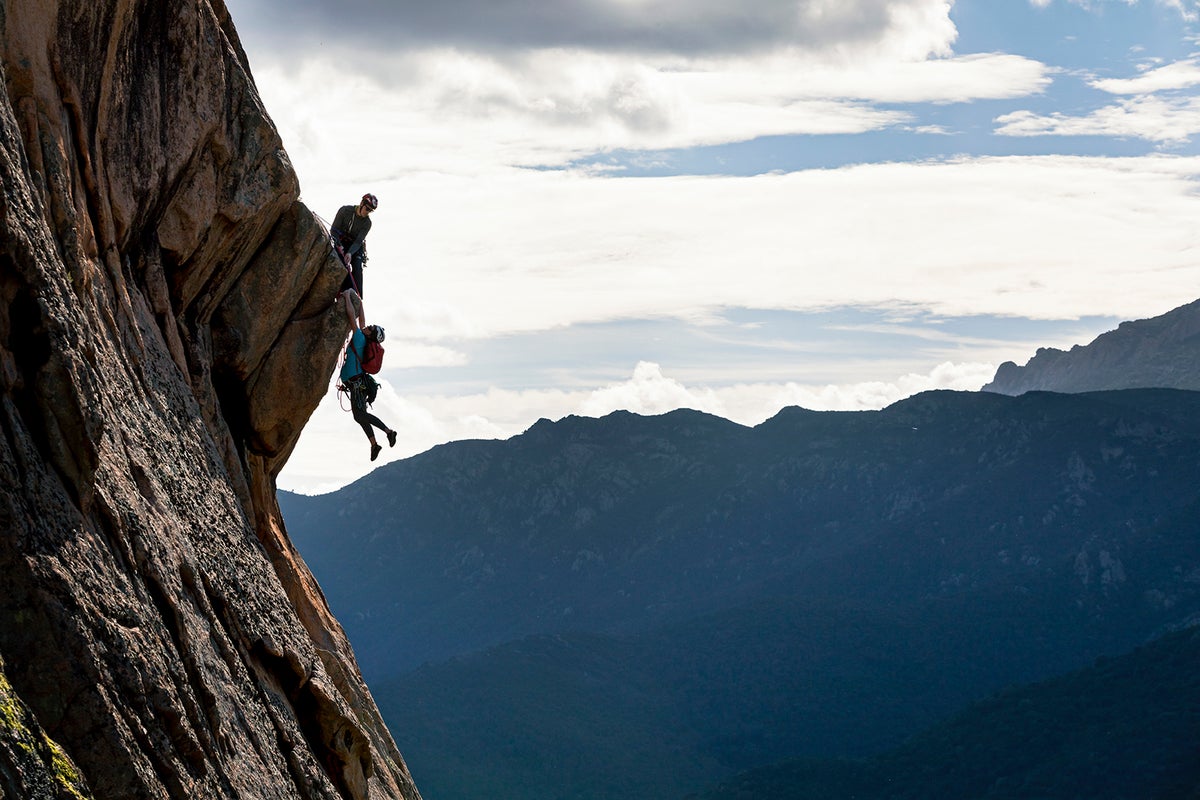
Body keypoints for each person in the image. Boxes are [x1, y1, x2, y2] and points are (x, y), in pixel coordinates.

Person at [340, 292, 397, 461]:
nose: (368, 326)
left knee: (359, 415)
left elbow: (352, 316)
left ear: (370, 335)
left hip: (356, 382)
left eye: (370, 328)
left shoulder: (359, 336)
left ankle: (388, 432)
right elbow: (362, 320)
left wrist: (347, 298)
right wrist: (360, 301)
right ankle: (374, 444)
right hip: (357, 383)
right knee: (360, 416)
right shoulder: (364, 338)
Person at [331, 193, 377, 298]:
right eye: (367, 208)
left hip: (355, 246)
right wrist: (339, 245)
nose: (367, 212)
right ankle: (342, 292)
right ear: (361, 203)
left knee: (357, 267)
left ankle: (358, 297)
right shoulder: (344, 211)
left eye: (370, 211)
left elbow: (358, 241)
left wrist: (350, 253)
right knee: (342, 264)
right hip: (340, 242)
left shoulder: (367, 223)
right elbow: (333, 230)